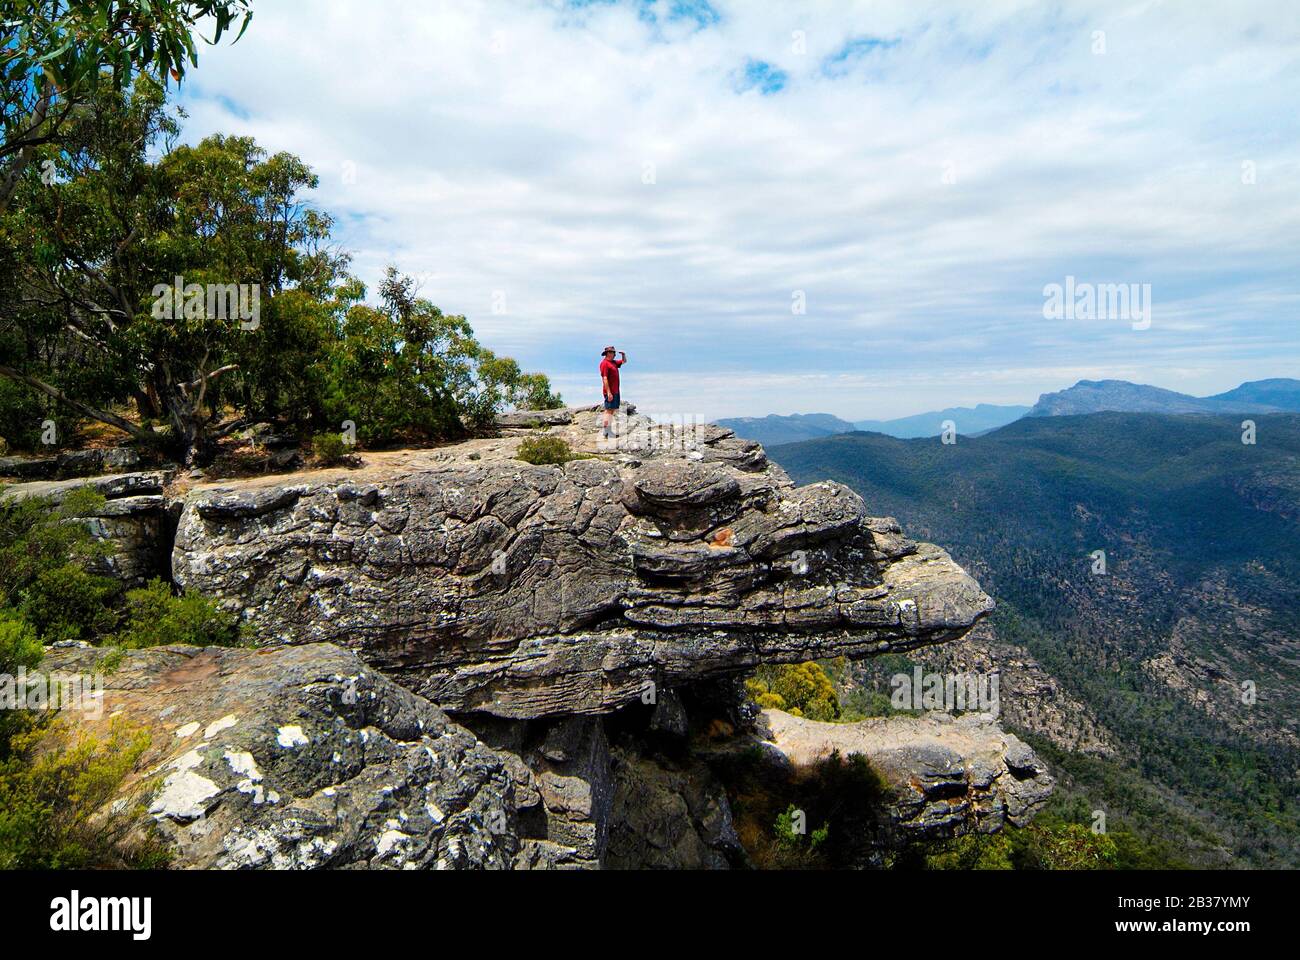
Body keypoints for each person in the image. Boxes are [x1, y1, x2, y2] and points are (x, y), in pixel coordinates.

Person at [599, 346, 627, 438]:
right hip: (610, 391)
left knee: (612, 410)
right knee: (608, 411)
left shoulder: (613, 363)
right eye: (612, 353)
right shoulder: (604, 364)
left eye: (614, 353)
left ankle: (608, 431)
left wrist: (623, 355)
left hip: (615, 391)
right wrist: (609, 392)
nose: (614, 354)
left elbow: (623, 362)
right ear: (607, 353)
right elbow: (605, 378)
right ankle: (606, 431)